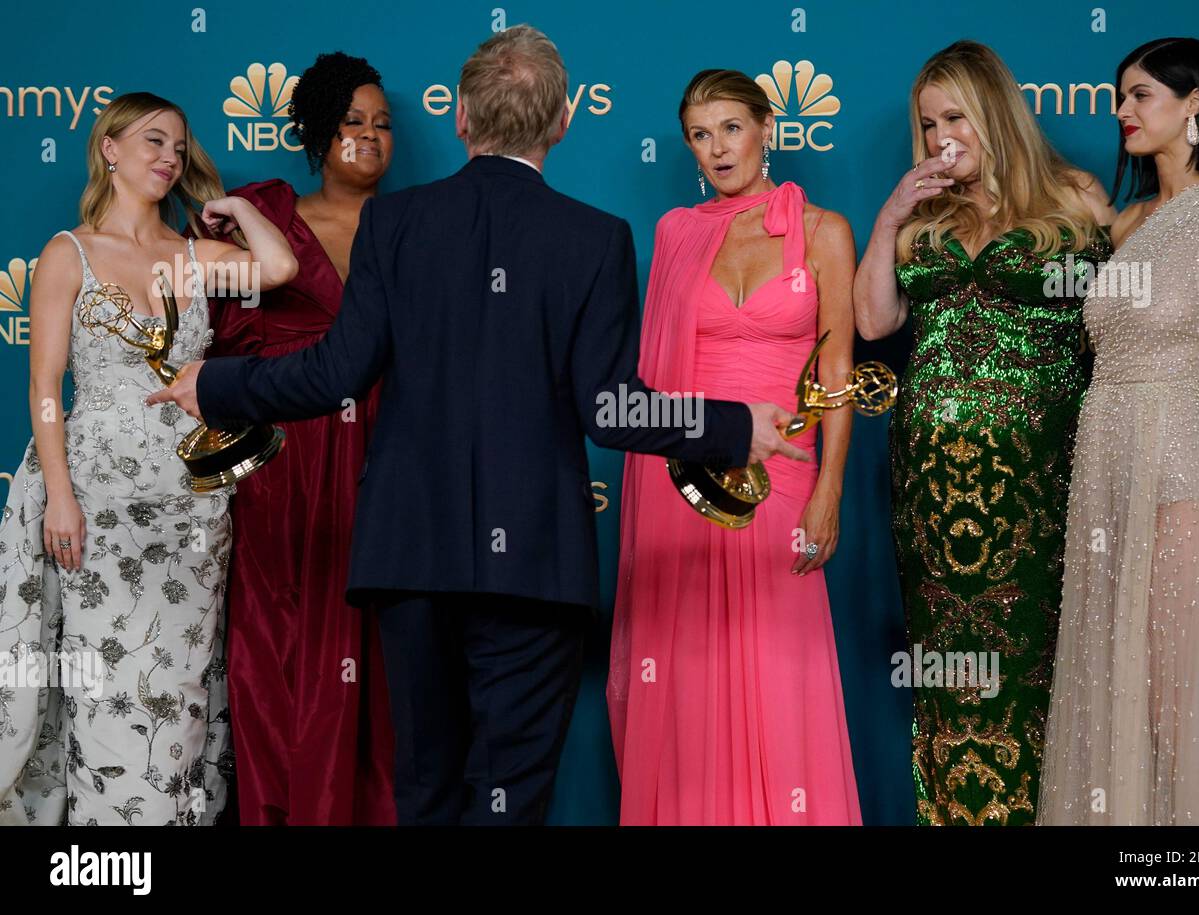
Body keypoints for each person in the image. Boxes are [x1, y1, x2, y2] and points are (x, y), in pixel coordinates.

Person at [145, 25, 804, 826]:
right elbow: (612, 410)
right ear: (563, 119)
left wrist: (215, 384)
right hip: (534, 568)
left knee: (424, 793)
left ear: (460, 117)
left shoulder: (396, 226)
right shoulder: (597, 240)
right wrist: (732, 425)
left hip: (410, 562)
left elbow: (332, 374)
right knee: (511, 800)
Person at [0, 92, 296, 825]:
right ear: (109, 148)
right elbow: (44, 390)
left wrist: (232, 205)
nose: (167, 157)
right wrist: (59, 496)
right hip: (96, 501)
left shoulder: (193, 259)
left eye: (178, 147)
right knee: (105, 685)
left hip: (190, 503)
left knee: (179, 686)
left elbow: (279, 266)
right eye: (152, 141)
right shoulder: (68, 254)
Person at [853, 41, 1115, 825]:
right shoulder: (925, 214)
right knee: (950, 671)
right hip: (933, 492)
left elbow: (1121, 327)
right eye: (928, 124)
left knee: (1038, 666)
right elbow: (873, 320)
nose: (940, 139)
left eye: (955, 117)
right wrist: (891, 214)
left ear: (994, 111)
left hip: (1040, 490)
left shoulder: (1075, 196)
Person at [606, 69, 862, 825]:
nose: (718, 148)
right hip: (684, 485)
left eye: (730, 128)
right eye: (699, 133)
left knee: (780, 676)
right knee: (689, 678)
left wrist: (830, 490)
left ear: (766, 129)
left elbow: (837, 371)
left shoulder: (825, 232)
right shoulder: (676, 232)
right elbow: (653, 377)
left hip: (784, 479)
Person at [1038, 37, 1199, 825]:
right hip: (1105, 467)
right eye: (1119, 97)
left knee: (1176, 706)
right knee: (1110, 690)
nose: (1121, 112)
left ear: (1195, 104)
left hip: (1186, 474)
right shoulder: (1128, 223)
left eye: (1140, 95)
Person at [201, 51, 397, 826]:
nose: (371, 137)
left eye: (382, 126)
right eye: (353, 123)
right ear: (320, 133)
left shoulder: (415, 224)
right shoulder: (270, 215)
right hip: (288, 458)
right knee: (278, 642)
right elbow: (209, 339)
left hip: (387, 450)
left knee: (379, 648)